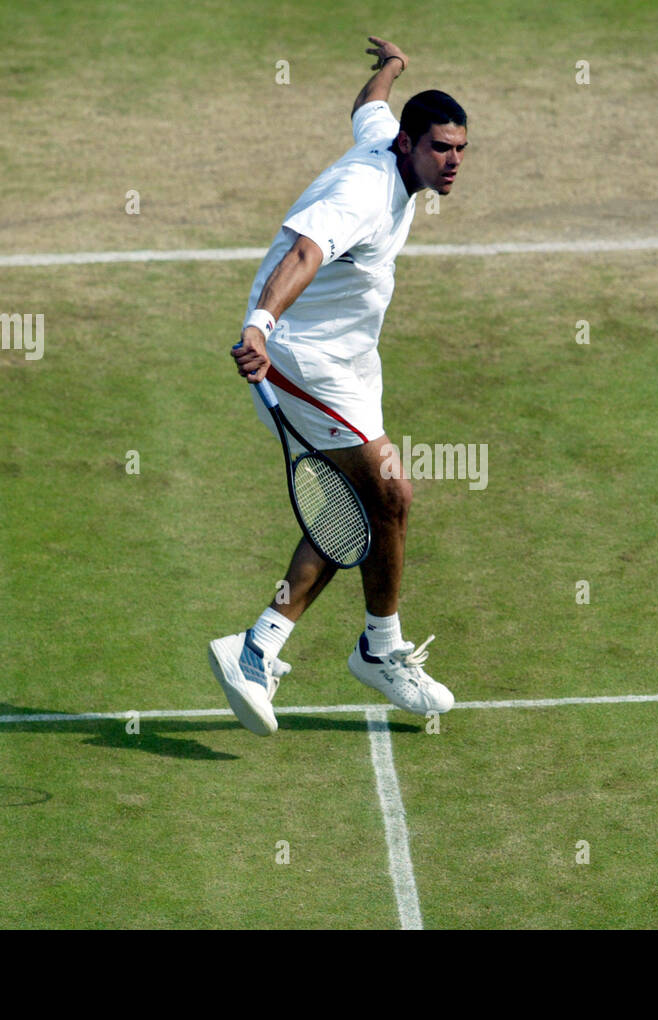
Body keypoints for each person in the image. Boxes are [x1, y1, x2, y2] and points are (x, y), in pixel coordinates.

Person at [209, 36, 469, 736]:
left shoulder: (390, 139)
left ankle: (267, 646)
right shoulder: (363, 193)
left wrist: (390, 67)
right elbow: (304, 251)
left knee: (369, 499)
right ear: (412, 145)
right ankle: (363, 650)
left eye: (460, 151)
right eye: (441, 148)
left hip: (350, 359)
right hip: (297, 357)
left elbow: (369, 106)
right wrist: (261, 325)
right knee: (389, 489)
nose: (452, 163)